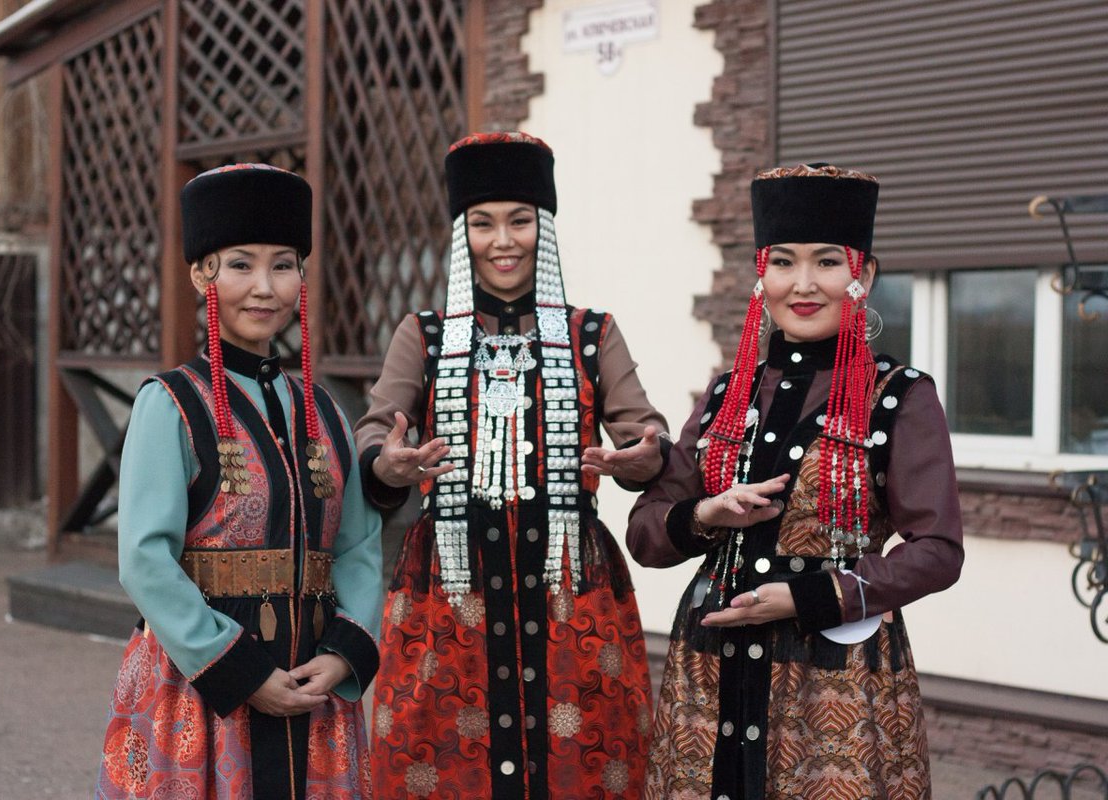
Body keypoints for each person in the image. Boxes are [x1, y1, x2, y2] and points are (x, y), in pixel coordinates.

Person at [628, 164, 964, 799]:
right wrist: (705, 516)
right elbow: (648, 533)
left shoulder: (900, 397)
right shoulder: (729, 394)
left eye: (827, 263)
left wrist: (812, 599)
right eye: (783, 263)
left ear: (861, 275)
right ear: (762, 274)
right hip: (709, 665)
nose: (803, 284)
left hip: (835, 672)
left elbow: (938, 551)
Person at [357, 131, 668, 798]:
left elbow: (645, 435)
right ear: (460, 233)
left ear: (544, 227)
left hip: (569, 583)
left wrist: (640, 458)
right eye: (483, 222)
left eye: (521, 220)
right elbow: (379, 433)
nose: (504, 239)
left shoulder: (593, 333)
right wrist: (390, 464)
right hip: (450, 582)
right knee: (440, 762)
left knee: (585, 761)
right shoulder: (426, 334)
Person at [96, 164, 382, 800]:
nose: (265, 288)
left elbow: (359, 547)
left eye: (283, 265)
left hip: (316, 684)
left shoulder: (325, 409)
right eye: (240, 264)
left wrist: (342, 655)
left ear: (302, 277)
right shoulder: (168, 404)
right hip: (201, 690)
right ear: (203, 273)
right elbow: (144, 561)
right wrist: (243, 671)